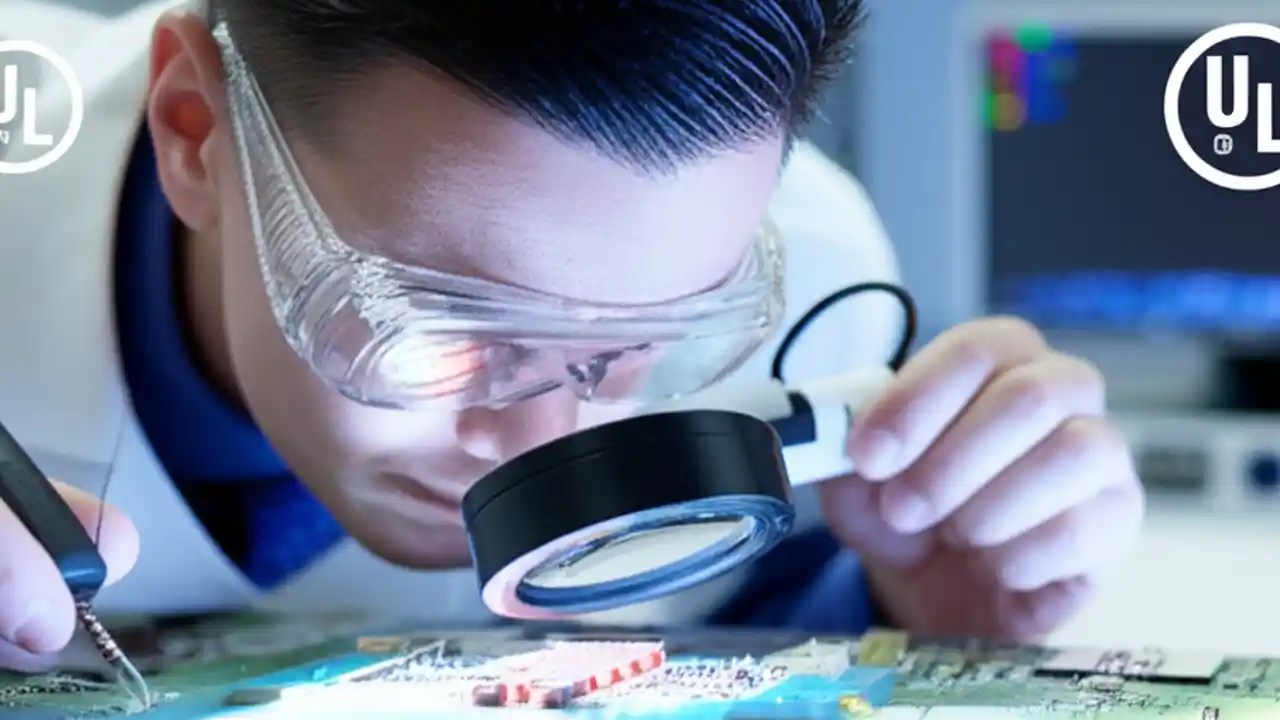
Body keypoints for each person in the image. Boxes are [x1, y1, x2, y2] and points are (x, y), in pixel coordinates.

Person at [0, 0, 1144, 673]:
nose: (538, 442)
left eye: (639, 340)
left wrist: (919, 641)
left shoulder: (812, 297)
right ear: (196, 133)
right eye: (441, 325)